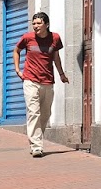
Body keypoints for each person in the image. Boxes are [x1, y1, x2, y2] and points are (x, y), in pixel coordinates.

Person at [14, 11, 69, 158]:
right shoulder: (27, 38)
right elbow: (16, 50)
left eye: (39, 23)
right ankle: (36, 145)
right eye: (34, 23)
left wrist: (61, 74)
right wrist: (18, 70)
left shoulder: (55, 38)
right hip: (30, 80)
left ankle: (37, 138)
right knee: (33, 112)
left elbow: (56, 57)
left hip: (48, 81)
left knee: (45, 114)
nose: (35, 26)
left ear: (47, 24)